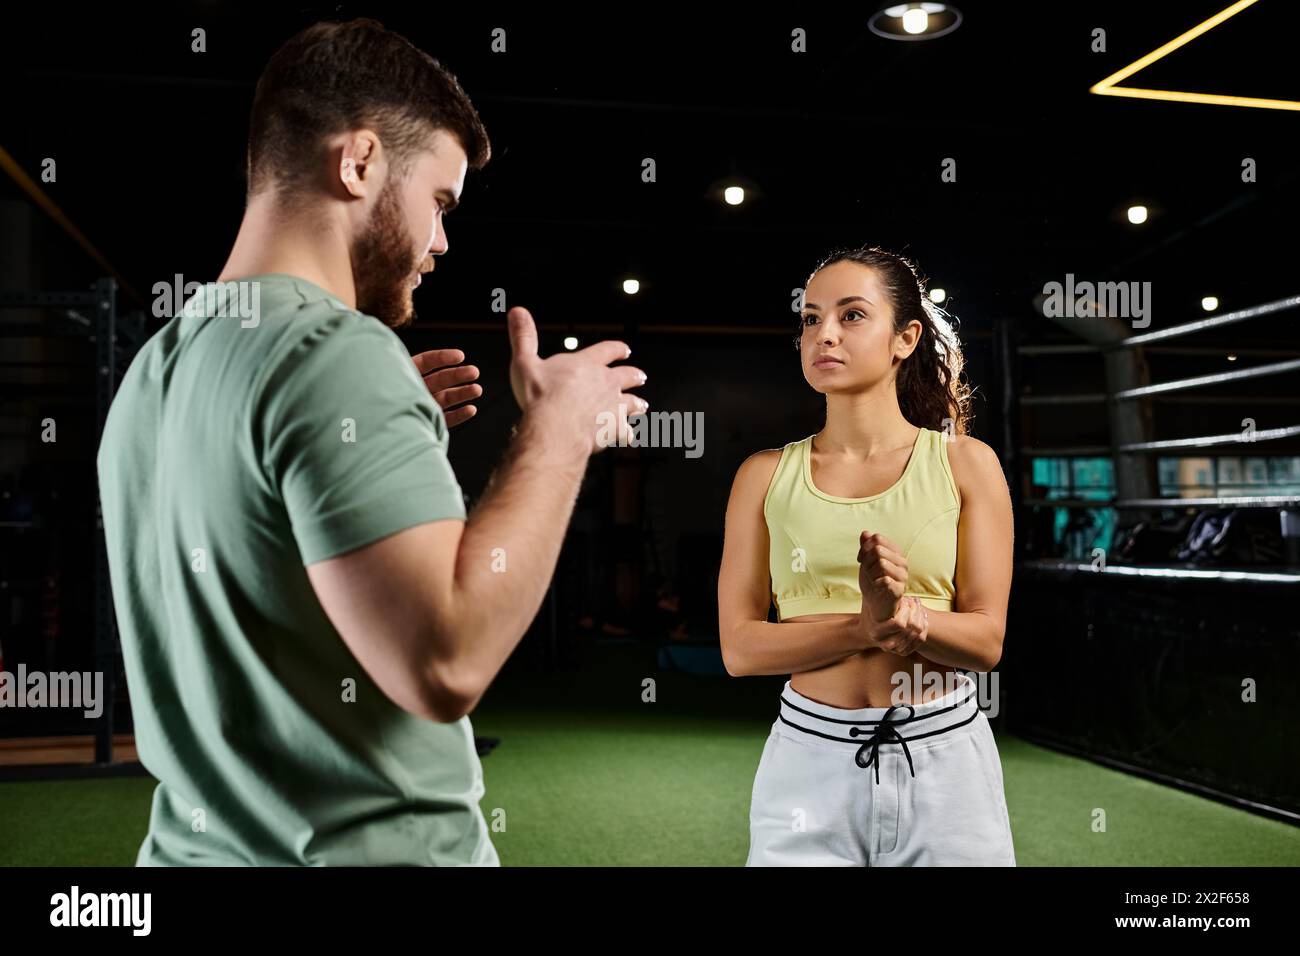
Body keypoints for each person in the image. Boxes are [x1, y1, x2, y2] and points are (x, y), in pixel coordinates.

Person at [95, 18, 647, 865]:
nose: (442, 242)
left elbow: (263, 556)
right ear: (358, 163)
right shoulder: (337, 353)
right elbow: (445, 664)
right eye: (440, 201)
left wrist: (359, 445)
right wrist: (558, 432)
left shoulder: (153, 374)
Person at [718, 245, 1016, 866]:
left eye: (852, 316)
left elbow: (987, 642)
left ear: (905, 337)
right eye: (810, 319)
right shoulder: (762, 476)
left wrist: (907, 620)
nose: (824, 334)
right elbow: (741, 650)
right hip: (808, 760)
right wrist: (871, 625)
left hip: (946, 761)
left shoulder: (967, 464)